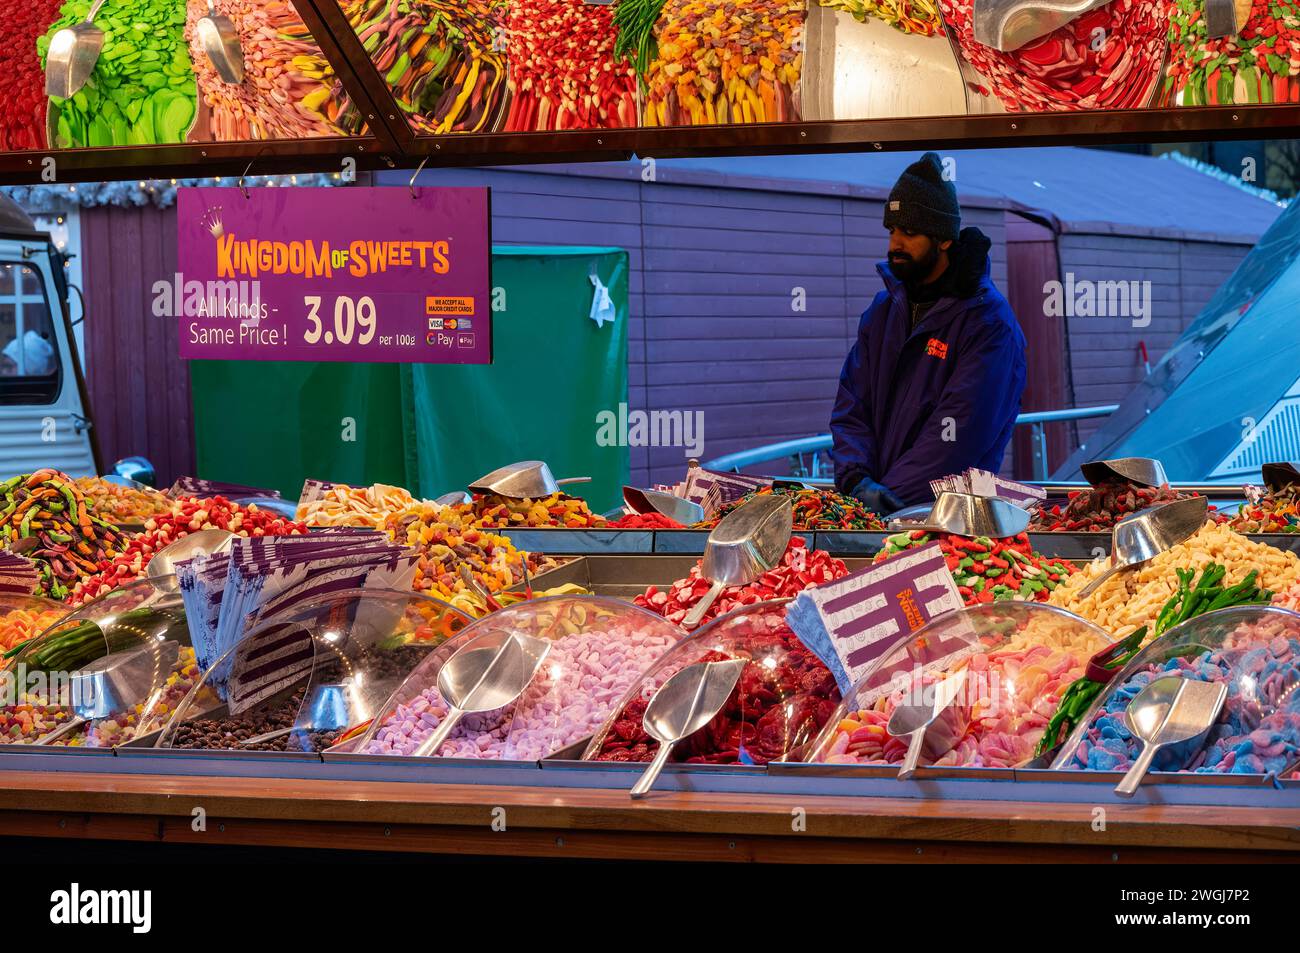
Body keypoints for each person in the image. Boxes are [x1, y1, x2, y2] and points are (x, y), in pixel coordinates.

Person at [830, 152, 1027, 513]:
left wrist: (886, 502)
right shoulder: (881, 313)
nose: (895, 245)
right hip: (877, 515)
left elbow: (957, 438)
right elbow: (851, 406)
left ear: (944, 240)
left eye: (909, 232)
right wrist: (856, 479)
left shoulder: (988, 324)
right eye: (892, 231)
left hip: (948, 522)